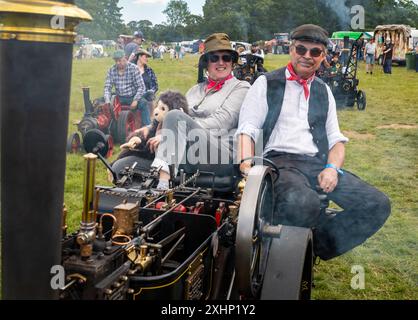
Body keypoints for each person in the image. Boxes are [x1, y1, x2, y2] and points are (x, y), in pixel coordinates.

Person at [236, 24, 391, 261]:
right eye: (301, 49)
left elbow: (337, 141)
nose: (307, 57)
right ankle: (286, 256)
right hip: (279, 162)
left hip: (316, 163)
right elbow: (247, 129)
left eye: (315, 52)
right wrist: (246, 168)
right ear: (291, 49)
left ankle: (316, 245)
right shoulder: (267, 83)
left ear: (323, 56)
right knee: (304, 203)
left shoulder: (323, 90)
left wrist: (331, 168)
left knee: (377, 204)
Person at [111, 33, 251, 189]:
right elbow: (169, 117)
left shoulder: (241, 87)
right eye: (214, 58)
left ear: (232, 63)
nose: (221, 62)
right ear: (206, 63)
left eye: (226, 58)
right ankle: (138, 207)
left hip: (220, 154)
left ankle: (163, 185)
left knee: (175, 115)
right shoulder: (194, 90)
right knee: (121, 167)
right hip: (183, 153)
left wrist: (173, 131)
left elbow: (222, 121)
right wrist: (146, 132)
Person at [103, 50, 148, 123]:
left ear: (126, 58)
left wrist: (136, 100)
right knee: (102, 105)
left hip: (132, 96)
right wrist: (107, 101)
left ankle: (147, 127)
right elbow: (107, 88)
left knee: (144, 103)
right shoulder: (111, 70)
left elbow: (141, 87)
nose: (118, 63)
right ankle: (109, 128)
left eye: (120, 60)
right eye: (116, 61)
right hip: (118, 98)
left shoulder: (134, 68)